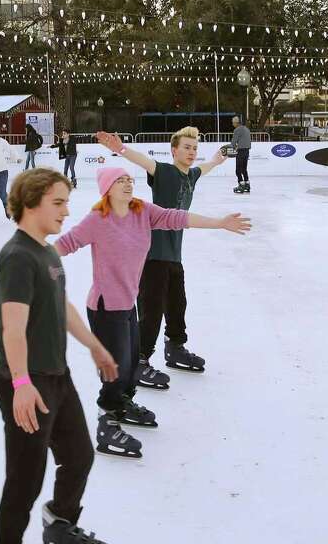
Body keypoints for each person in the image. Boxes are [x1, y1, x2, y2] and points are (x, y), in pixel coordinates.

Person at [0, 168, 118, 544]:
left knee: (79, 456)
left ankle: (60, 526)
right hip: (28, 383)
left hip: (56, 377)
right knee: (26, 475)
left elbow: (61, 306)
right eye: (58, 202)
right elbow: (12, 327)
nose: (66, 210)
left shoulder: (47, 253)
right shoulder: (17, 257)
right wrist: (21, 384)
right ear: (33, 202)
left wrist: (94, 346)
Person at [54, 167, 251, 459]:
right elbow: (65, 244)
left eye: (129, 180)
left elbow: (178, 218)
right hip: (105, 306)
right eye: (120, 181)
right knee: (115, 365)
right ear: (107, 188)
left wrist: (219, 223)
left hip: (128, 303)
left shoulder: (143, 211)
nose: (127, 184)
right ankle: (106, 419)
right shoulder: (98, 219)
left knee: (133, 361)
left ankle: (123, 402)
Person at [93, 127, 229, 389]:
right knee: (151, 310)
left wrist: (216, 159)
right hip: (153, 254)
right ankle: (139, 361)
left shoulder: (192, 175)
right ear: (174, 150)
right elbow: (144, 161)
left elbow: (206, 168)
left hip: (174, 255)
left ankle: (175, 347)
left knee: (178, 304)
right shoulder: (164, 172)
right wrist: (119, 149)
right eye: (186, 147)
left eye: (194, 148)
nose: (191, 152)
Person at [231, 115, 252, 194]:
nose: (233, 124)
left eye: (233, 123)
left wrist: (232, 147)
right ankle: (247, 184)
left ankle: (241, 185)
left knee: (238, 170)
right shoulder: (246, 129)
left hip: (241, 151)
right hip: (247, 151)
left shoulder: (237, 130)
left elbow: (234, 141)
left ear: (236, 123)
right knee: (244, 169)